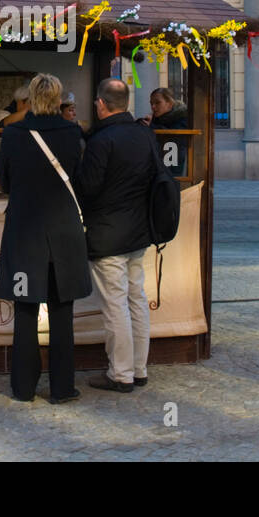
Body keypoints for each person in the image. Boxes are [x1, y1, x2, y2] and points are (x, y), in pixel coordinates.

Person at [0, 73, 91, 404]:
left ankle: (23, 387)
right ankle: (62, 387)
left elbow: (5, 182)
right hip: (64, 233)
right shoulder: (72, 133)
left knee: (25, 311)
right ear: (59, 99)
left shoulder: (13, 133)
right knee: (62, 313)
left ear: (31, 98)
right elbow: (80, 180)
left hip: (25, 234)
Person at [78, 77, 157, 393]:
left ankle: (121, 374)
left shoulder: (101, 140)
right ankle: (139, 368)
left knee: (115, 305)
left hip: (107, 233)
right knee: (136, 298)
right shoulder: (145, 134)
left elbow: (88, 187)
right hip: (138, 232)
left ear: (100, 104)